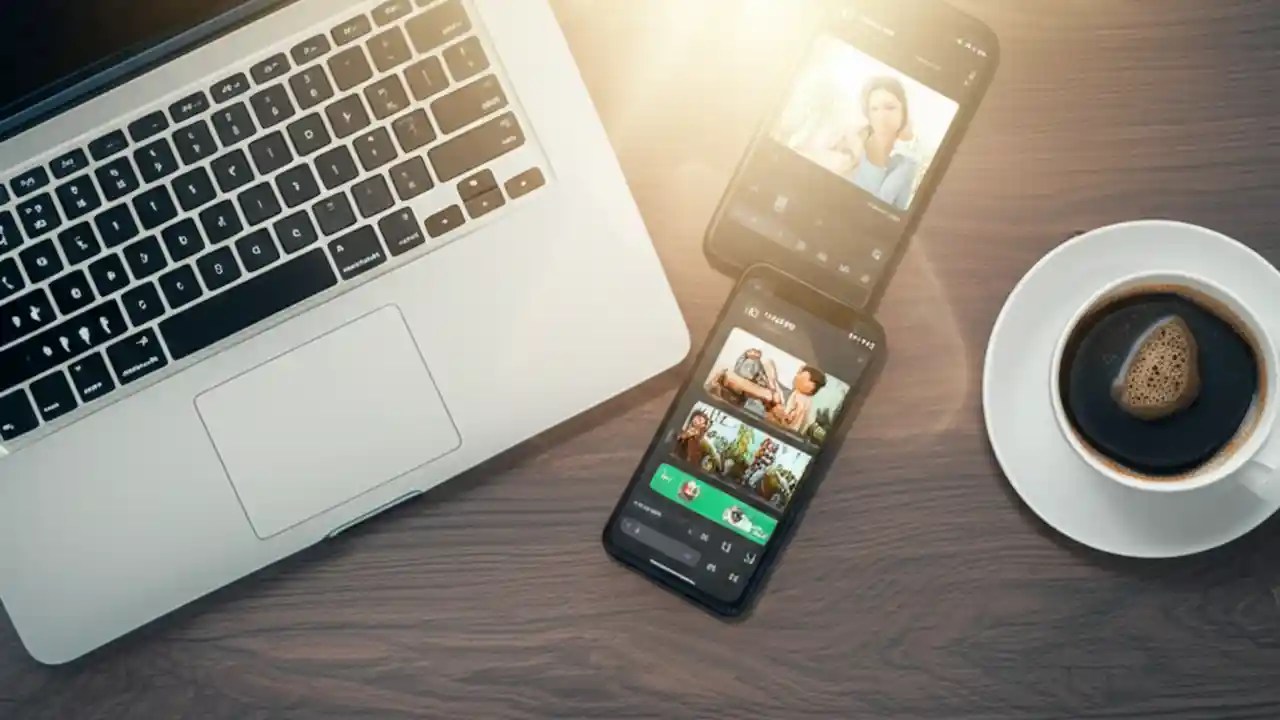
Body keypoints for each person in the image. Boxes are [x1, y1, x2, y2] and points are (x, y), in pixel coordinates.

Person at [838, 76, 920, 211]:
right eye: (874, 109)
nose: (882, 116)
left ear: (903, 112)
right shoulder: (853, 149)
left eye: (890, 108)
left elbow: (895, 212)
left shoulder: (905, 164)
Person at [767, 365, 828, 433]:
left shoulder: (801, 400)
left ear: (812, 385)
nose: (796, 377)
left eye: (800, 374)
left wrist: (777, 411)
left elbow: (790, 421)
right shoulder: (797, 394)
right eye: (798, 374)